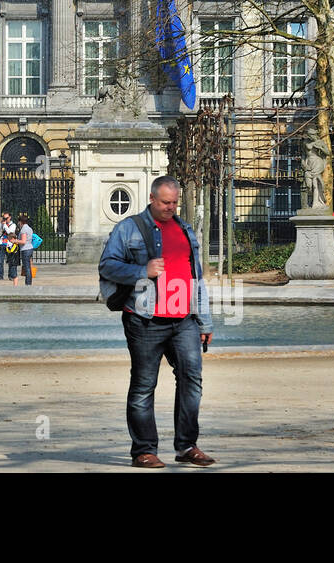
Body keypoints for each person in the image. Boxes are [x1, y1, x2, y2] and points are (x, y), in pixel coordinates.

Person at [99, 175, 215, 469]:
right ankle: (144, 450)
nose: (171, 208)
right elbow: (107, 265)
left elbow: (197, 279)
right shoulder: (128, 228)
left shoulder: (186, 230)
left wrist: (205, 321)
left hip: (184, 319)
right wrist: (142, 270)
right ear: (152, 198)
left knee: (192, 381)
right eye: (165, 202)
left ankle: (187, 445)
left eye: (174, 203)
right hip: (145, 319)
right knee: (143, 385)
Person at [17, 212, 36, 286]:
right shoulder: (29, 228)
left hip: (26, 249)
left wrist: (15, 241)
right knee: (28, 267)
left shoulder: (24, 229)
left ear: (20, 222)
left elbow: (23, 241)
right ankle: (28, 282)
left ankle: (28, 283)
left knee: (27, 267)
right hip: (30, 248)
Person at [0, 212, 16, 282]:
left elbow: (10, 233)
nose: (5, 219)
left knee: (10, 261)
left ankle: (10, 276)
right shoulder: (2, 224)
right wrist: (0, 223)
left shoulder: (13, 225)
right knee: (0, 261)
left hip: (9, 245)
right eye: (4, 218)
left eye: (6, 218)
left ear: (10, 217)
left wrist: (5, 225)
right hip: (1, 244)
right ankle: (0, 276)